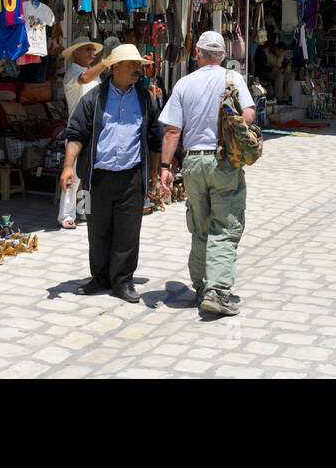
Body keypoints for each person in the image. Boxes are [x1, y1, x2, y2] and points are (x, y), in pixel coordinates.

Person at [160, 30, 255, 316]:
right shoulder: (233, 79)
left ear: (197, 54)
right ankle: (217, 290)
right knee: (224, 227)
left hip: (193, 163)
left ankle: (201, 285)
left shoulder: (184, 84)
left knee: (200, 226)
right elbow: (249, 115)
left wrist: (164, 168)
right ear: (223, 55)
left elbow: (172, 130)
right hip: (224, 161)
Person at [61, 44, 163, 303]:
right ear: (114, 68)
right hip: (96, 179)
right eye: (131, 65)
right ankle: (100, 277)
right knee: (97, 229)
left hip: (131, 178)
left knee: (128, 232)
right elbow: (76, 134)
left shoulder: (144, 99)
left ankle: (122, 281)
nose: (137, 70)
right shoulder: (94, 98)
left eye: (138, 65)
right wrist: (67, 167)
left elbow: (154, 139)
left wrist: (153, 174)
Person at [58, 37, 105, 229]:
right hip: (78, 130)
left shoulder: (95, 74)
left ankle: (84, 210)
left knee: (88, 174)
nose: (91, 53)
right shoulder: (74, 72)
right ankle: (66, 215)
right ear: (76, 53)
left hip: (94, 129)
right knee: (73, 173)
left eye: (92, 50)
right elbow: (84, 79)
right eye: (87, 49)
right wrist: (105, 62)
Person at [255, 37, 293, 103]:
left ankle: (285, 98)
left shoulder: (281, 54)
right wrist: (271, 69)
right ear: (275, 48)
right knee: (279, 76)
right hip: (267, 73)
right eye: (279, 51)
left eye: (282, 52)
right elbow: (260, 67)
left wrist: (282, 69)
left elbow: (284, 63)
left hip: (278, 72)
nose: (280, 53)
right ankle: (278, 99)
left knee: (291, 75)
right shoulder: (265, 52)